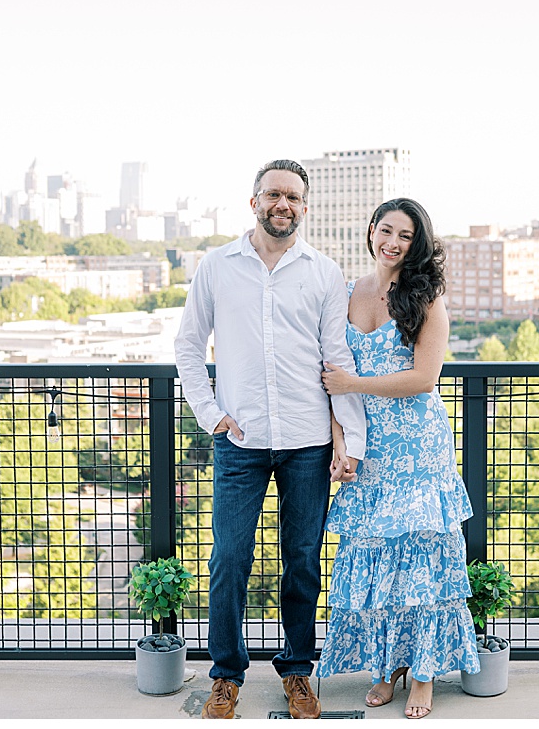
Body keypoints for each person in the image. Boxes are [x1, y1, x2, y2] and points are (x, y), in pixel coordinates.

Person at [174, 159, 366, 720]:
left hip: (308, 440)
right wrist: (211, 414)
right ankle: (226, 676)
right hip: (241, 441)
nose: (284, 205)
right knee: (229, 558)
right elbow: (188, 346)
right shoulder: (217, 266)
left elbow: (337, 359)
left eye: (294, 198)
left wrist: (347, 436)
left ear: (305, 207)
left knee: (302, 560)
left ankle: (298, 672)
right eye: (274, 195)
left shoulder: (325, 273)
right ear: (254, 201)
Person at [315, 198, 481, 719]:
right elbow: (329, 381)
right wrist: (341, 443)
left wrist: (354, 383)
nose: (393, 242)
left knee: (422, 563)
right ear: (371, 232)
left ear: (417, 244)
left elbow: (424, 379)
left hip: (418, 449)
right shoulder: (342, 293)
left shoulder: (427, 298)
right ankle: (386, 666)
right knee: (376, 561)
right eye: (386, 230)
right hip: (368, 450)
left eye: (405, 236)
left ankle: (425, 675)